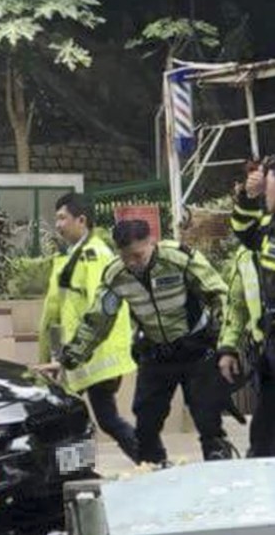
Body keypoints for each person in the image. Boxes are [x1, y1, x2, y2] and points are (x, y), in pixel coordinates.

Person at [42, 219, 234, 464]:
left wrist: (225, 342)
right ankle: (154, 469)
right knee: (146, 422)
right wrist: (70, 358)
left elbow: (220, 296)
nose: (132, 263)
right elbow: (98, 320)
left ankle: (219, 464)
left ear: (152, 242)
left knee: (207, 417)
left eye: (138, 255)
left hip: (195, 349)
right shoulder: (116, 275)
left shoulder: (178, 259)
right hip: (156, 353)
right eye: (125, 257)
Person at [35, 193, 139, 462]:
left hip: (92, 356)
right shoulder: (73, 256)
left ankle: (150, 459)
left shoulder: (94, 256)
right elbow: (56, 313)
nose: (58, 225)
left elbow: (99, 309)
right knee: (96, 418)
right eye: (56, 219)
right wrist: (51, 355)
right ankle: (150, 460)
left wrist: (68, 356)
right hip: (79, 355)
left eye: (62, 218)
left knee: (68, 414)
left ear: (81, 220)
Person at [227, 160, 275, 455]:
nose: (265, 188)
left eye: (267, 183)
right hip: (268, 343)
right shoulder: (268, 226)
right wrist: (247, 197)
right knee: (264, 431)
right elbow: (244, 231)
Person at [217, 244, 270, 455]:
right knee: (264, 434)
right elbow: (236, 306)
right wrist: (228, 348)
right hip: (266, 352)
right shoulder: (246, 254)